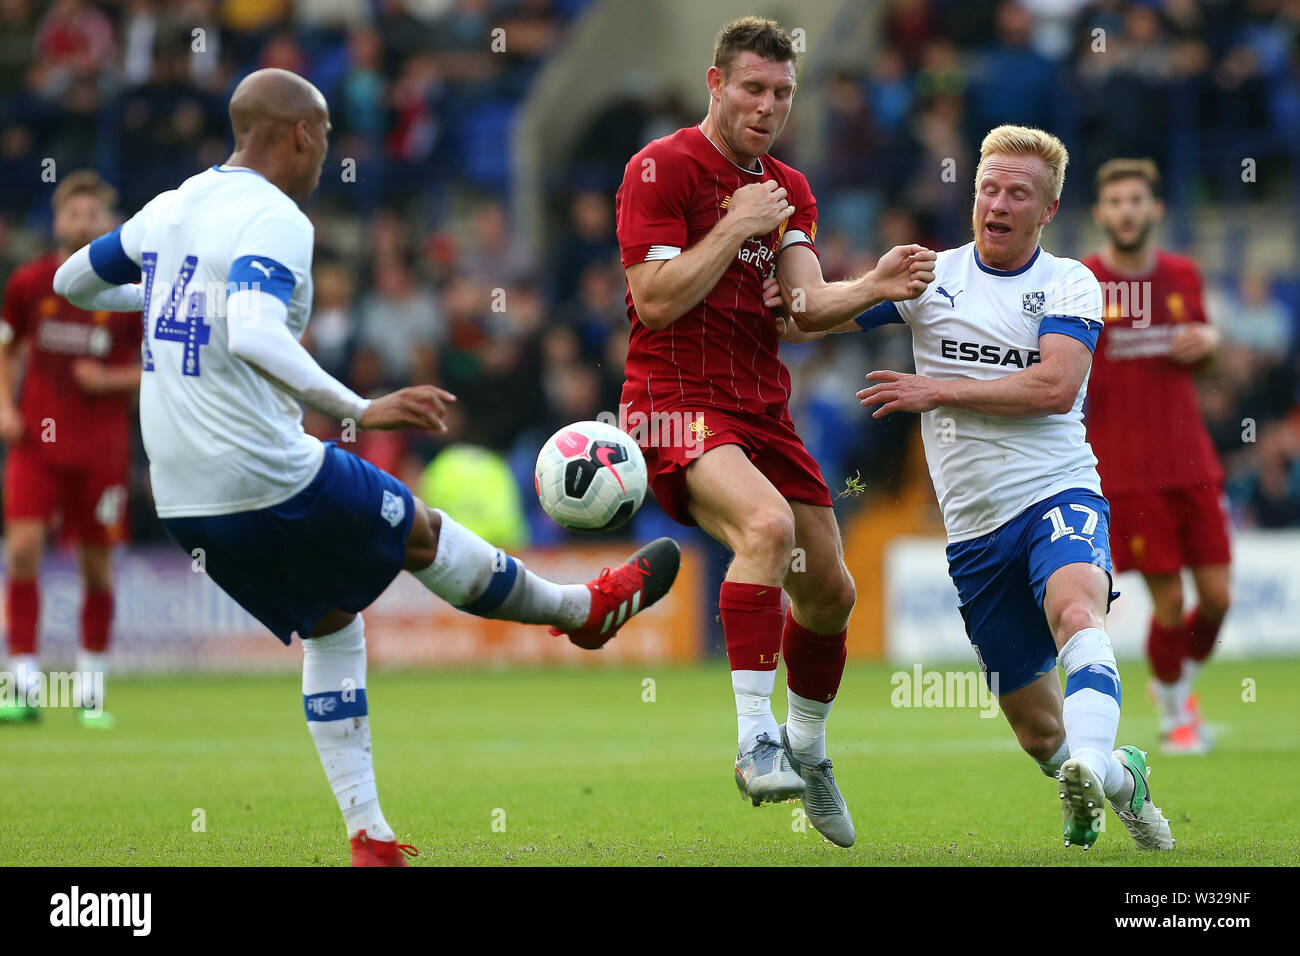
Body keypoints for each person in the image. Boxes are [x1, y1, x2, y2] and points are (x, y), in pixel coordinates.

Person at [53, 68, 680, 867]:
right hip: (265, 474)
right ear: (301, 136)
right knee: (416, 529)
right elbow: (250, 332)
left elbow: (75, 281)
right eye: (325, 140)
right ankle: (579, 612)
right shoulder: (274, 217)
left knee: (332, 620)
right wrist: (360, 408)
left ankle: (370, 836)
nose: (327, 158)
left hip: (184, 502)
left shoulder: (174, 207)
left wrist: (171, 298)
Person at [786, 125, 1174, 852]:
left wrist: (938, 388)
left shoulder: (1068, 281)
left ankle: (1091, 764)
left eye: (1016, 193)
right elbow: (805, 322)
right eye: (988, 188)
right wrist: (859, 281)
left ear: (1047, 210)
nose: (997, 203)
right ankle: (1116, 776)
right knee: (1039, 734)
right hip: (974, 532)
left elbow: (1057, 386)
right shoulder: (931, 277)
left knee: (1076, 609)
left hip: (1057, 492)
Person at [614, 16, 933, 847]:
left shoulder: (789, 186)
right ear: (716, 84)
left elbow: (802, 309)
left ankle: (808, 749)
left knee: (831, 593)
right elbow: (654, 299)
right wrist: (734, 223)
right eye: (752, 89)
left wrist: (874, 285)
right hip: (672, 400)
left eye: (782, 93)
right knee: (765, 526)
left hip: (760, 406)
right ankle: (754, 739)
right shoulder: (661, 167)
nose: (767, 106)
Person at [1082, 158, 1229, 755]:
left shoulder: (1181, 275)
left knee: (1218, 597)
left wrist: (1211, 342)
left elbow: (1205, 353)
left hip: (1192, 463)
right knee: (1170, 601)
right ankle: (1175, 718)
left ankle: (1177, 686)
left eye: (1136, 200)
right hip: (1127, 474)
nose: (1126, 210)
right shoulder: (1084, 280)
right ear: (1100, 212)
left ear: (1154, 208)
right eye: (1115, 201)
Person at [0, 171, 141, 727]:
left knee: (97, 568)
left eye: (93, 214)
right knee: (24, 552)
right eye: (73, 213)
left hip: (102, 449)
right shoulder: (31, 283)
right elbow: (7, 348)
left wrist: (106, 382)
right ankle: (24, 683)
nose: (82, 223)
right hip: (37, 444)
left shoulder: (127, 295)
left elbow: (155, 370)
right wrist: (6, 408)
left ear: (108, 224)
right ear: (57, 219)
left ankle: (90, 690)